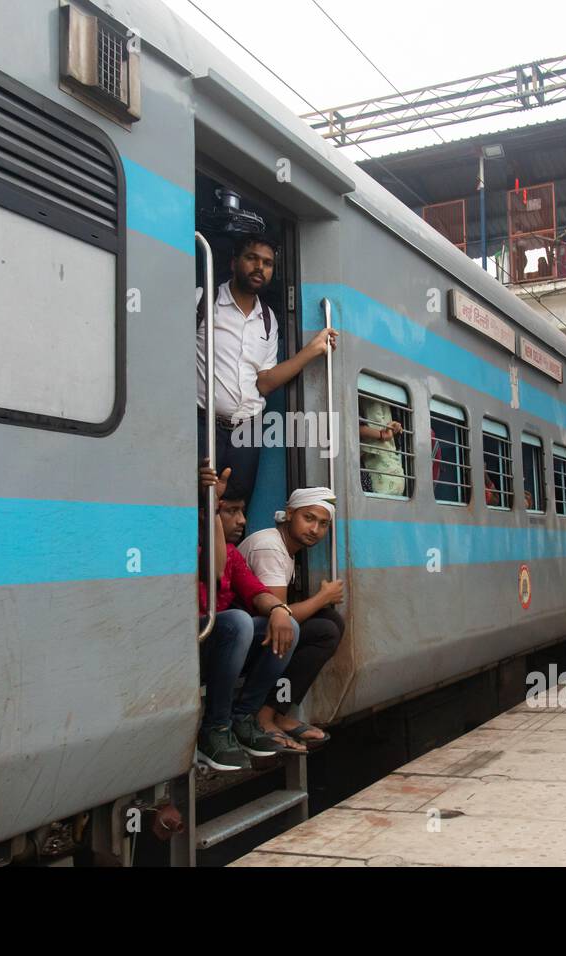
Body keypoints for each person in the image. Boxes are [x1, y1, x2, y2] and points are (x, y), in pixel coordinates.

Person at [196, 234, 337, 508]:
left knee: (234, 514)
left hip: (246, 433)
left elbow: (265, 383)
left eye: (268, 263)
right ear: (234, 262)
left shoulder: (269, 320)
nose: (260, 267)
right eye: (252, 258)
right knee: (195, 508)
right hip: (201, 426)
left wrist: (312, 349)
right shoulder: (203, 300)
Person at [196, 462, 304, 771]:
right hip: (190, 647)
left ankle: (243, 717)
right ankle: (214, 728)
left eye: (241, 511)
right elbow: (213, 571)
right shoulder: (186, 546)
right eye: (230, 511)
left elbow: (258, 593)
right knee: (238, 622)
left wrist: (279, 610)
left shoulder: (232, 553)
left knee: (289, 626)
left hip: (217, 648)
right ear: (207, 513)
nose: (242, 520)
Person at [238, 487, 345, 749]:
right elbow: (279, 614)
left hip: (255, 631)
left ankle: (278, 713)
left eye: (323, 524)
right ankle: (263, 716)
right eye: (308, 518)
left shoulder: (285, 548)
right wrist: (323, 596)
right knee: (322, 629)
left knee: (331, 622)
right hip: (240, 637)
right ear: (289, 514)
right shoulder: (270, 547)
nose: (315, 529)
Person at [359, 396, 405, 495]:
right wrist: (383, 435)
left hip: (387, 460)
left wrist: (394, 427)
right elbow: (355, 426)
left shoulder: (384, 395)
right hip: (378, 458)